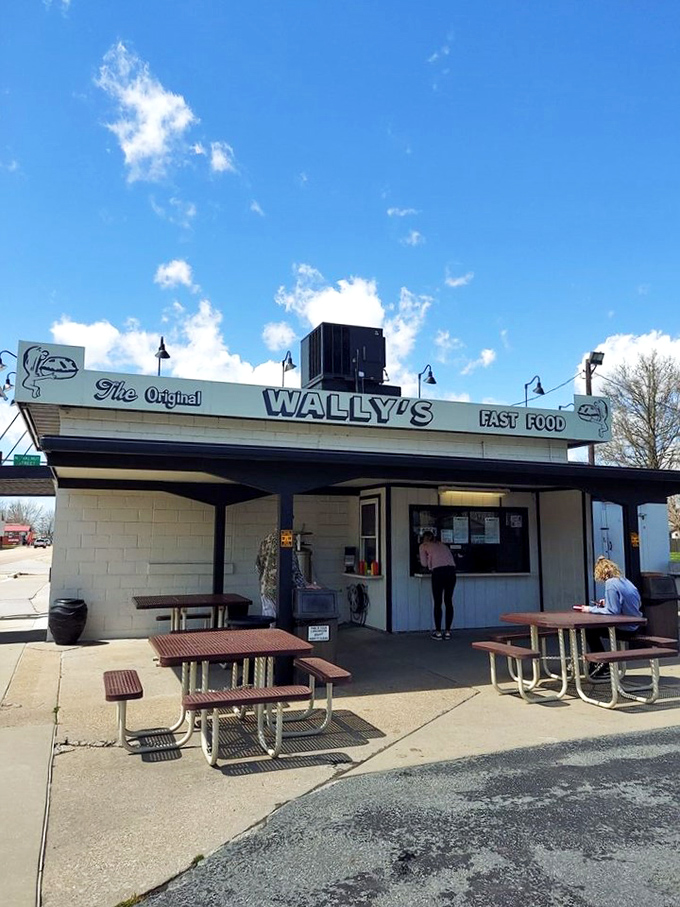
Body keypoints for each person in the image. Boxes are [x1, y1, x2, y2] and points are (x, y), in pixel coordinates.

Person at [574, 556, 643, 680]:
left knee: (590, 631)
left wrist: (589, 609)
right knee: (593, 630)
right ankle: (600, 663)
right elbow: (632, 603)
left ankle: (601, 664)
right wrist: (606, 602)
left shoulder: (610, 584)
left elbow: (612, 611)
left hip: (625, 627)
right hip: (635, 624)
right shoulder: (625, 581)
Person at [255, 530, 309, 618]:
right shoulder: (286, 536)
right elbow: (291, 564)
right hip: (282, 589)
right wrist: (303, 584)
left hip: (266, 587)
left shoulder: (266, 539)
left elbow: (258, 565)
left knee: (269, 622)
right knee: (284, 623)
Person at [419, 530, 457, 640]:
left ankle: (438, 632)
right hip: (451, 571)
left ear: (424, 539)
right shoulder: (443, 545)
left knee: (438, 602)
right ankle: (448, 631)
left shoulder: (423, 546)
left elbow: (424, 563)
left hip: (438, 572)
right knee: (448, 601)